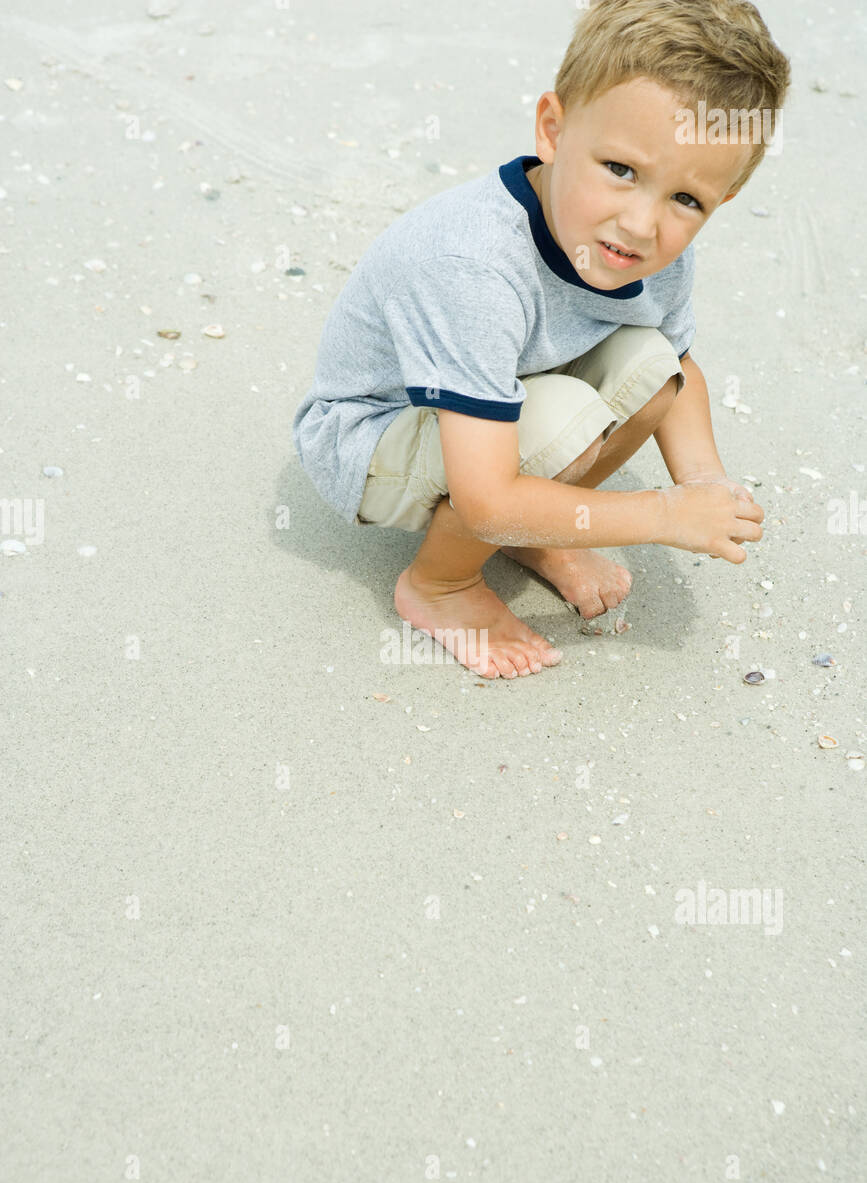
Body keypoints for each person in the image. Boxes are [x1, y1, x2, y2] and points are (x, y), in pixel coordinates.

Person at [292, 0, 791, 679]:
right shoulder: (470, 263)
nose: (642, 223)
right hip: (371, 434)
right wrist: (663, 515)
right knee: (561, 424)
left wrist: (704, 484)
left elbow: (676, 367)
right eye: (620, 169)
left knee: (653, 366)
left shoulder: (655, 250)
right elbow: (487, 497)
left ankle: (539, 529)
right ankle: (441, 585)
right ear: (552, 129)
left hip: (491, 404)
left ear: (719, 200)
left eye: (686, 201)